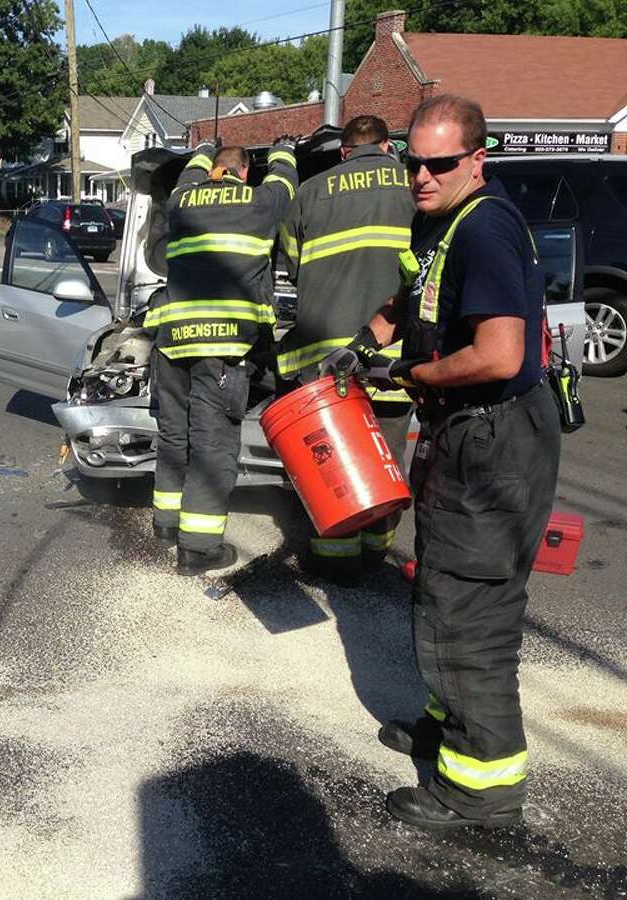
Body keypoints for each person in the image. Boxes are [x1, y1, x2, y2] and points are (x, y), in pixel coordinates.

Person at [349, 95, 560, 829]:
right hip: (465, 438)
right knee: (442, 591)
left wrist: (411, 377)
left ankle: (481, 789)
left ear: (478, 158)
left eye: (439, 163)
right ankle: (448, 732)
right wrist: (368, 340)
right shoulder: (441, 220)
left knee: (470, 610)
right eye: (413, 161)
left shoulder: (488, 231)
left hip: (496, 440)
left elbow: (499, 354)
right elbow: (412, 296)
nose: (422, 176)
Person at [143, 138, 298, 574]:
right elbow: (286, 181)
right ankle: (198, 547)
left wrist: (202, 149)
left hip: (172, 341)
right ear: (245, 172)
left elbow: (189, 175)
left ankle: (166, 524)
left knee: (175, 435)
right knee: (212, 446)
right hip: (223, 347)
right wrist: (284, 148)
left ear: (211, 169)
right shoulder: (259, 201)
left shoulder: (181, 199)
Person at [276, 115, 416, 583]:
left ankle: (334, 563)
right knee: (385, 453)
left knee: (332, 458)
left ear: (343, 152)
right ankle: (374, 555)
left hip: (324, 355)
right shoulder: (416, 185)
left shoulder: (311, 191)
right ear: (388, 146)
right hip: (390, 351)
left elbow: (291, 265)